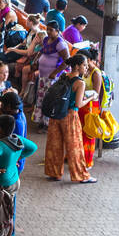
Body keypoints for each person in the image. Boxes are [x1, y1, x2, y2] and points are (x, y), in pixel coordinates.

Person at [43, 54, 96, 183]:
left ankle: (54, 172)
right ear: (77, 66)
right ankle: (80, 175)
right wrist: (90, 98)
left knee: (55, 144)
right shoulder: (80, 83)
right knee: (74, 146)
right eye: (84, 65)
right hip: (70, 116)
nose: (86, 68)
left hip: (56, 114)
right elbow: (78, 104)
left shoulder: (64, 76)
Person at [0, 114, 37, 226]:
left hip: (2, 184)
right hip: (15, 181)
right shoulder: (17, 139)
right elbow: (33, 147)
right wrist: (20, 157)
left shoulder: (0, 145)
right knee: (10, 207)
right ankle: (11, 231)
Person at [31, 23, 70, 127]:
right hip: (43, 75)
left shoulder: (60, 44)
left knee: (49, 99)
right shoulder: (46, 40)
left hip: (52, 77)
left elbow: (67, 61)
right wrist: (35, 61)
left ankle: (47, 123)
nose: (48, 32)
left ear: (57, 31)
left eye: (51, 30)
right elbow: (42, 51)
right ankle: (40, 120)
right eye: (47, 29)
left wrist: (55, 73)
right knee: (41, 97)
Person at [78, 48, 104, 169]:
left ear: (88, 60)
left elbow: (96, 94)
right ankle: (79, 158)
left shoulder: (96, 73)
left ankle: (87, 161)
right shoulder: (85, 70)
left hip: (91, 108)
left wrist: (83, 95)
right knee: (80, 133)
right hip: (83, 105)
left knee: (89, 134)